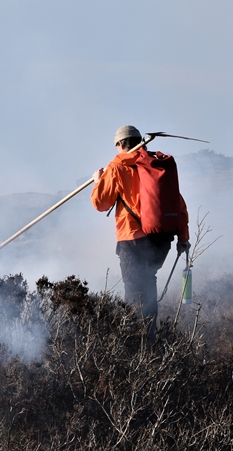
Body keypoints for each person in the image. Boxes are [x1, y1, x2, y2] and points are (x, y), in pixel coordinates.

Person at [91, 125, 190, 344]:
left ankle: (135, 347)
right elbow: (179, 205)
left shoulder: (117, 165)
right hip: (160, 240)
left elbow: (101, 203)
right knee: (148, 284)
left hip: (132, 240)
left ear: (120, 144)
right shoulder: (156, 165)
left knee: (134, 293)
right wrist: (183, 237)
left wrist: (99, 181)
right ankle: (150, 340)